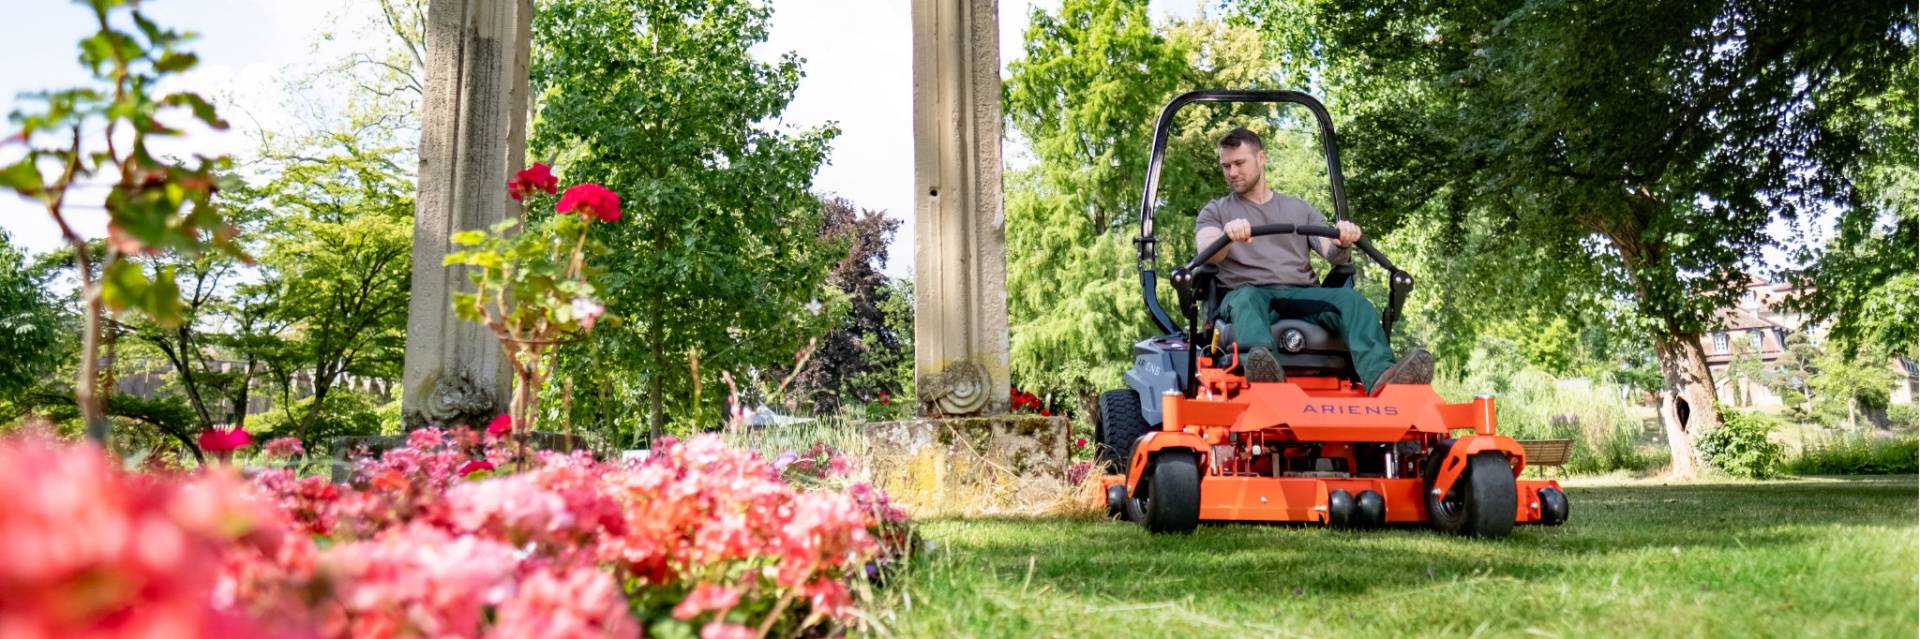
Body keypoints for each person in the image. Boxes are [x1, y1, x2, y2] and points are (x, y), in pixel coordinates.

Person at [1194, 127, 1432, 394]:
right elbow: (1207, 251)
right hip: (1248, 295)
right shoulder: (1215, 211)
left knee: (1352, 301)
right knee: (1247, 299)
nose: (1232, 172)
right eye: (1226, 166)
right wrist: (1227, 236)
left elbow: (1331, 252)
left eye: (1239, 163)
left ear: (1262, 158)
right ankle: (1264, 379)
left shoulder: (1299, 208)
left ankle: (1384, 381)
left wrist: (1343, 240)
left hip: (1302, 294)